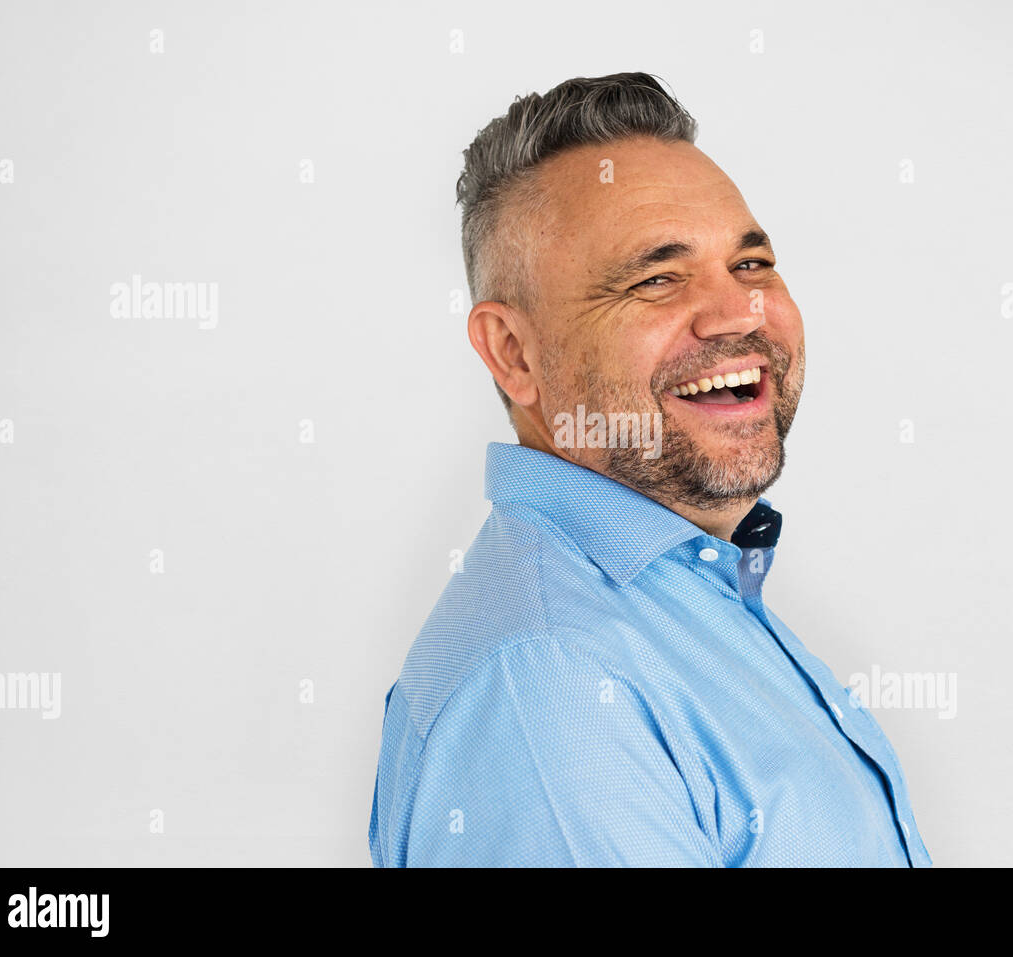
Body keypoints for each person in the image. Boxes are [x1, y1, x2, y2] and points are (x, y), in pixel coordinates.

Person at [368, 72, 932, 867]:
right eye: (657, 278)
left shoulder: (686, 597)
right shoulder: (549, 681)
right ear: (514, 353)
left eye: (752, 263)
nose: (742, 312)